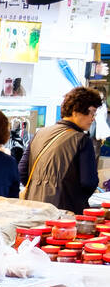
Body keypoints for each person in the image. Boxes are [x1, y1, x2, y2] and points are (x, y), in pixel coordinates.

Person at [19, 85, 103, 214]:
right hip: (66, 212)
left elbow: (22, 172)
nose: (93, 118)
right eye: (91, 112)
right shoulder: (81, 140)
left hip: (34, 208)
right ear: (75, 110)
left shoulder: (40, 134)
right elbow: (88, 182)